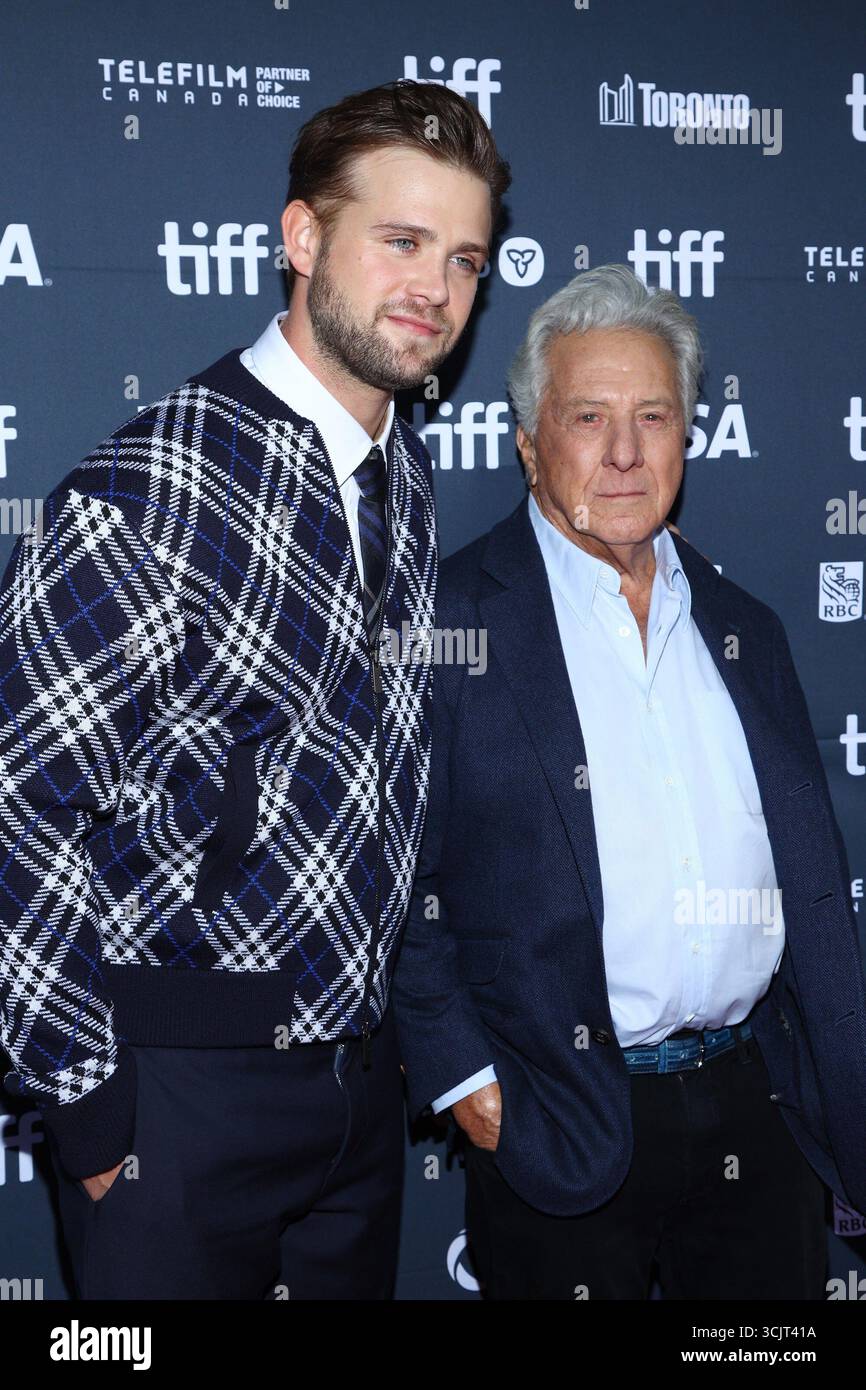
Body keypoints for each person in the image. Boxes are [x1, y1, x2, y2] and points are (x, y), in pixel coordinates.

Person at [0, 78, 510, 1300]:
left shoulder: (404, 470)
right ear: (299, 239)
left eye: (464, 258)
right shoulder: (146, 486)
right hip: (174, 1098)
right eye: (399, 241)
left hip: (355, 1088)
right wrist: (94, 1116)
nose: (434, 291)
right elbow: (20, 807)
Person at [392, 263, 866, 1300]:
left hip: (759, 1114)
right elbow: (393, 884)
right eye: (587, 416)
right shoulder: (449, 621)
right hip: (557, 1121)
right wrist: (473, 1090)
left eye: (652, 415)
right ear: (526, 441)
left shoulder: (746, 629)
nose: (621, 452)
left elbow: (807, 877)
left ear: (684, 436)